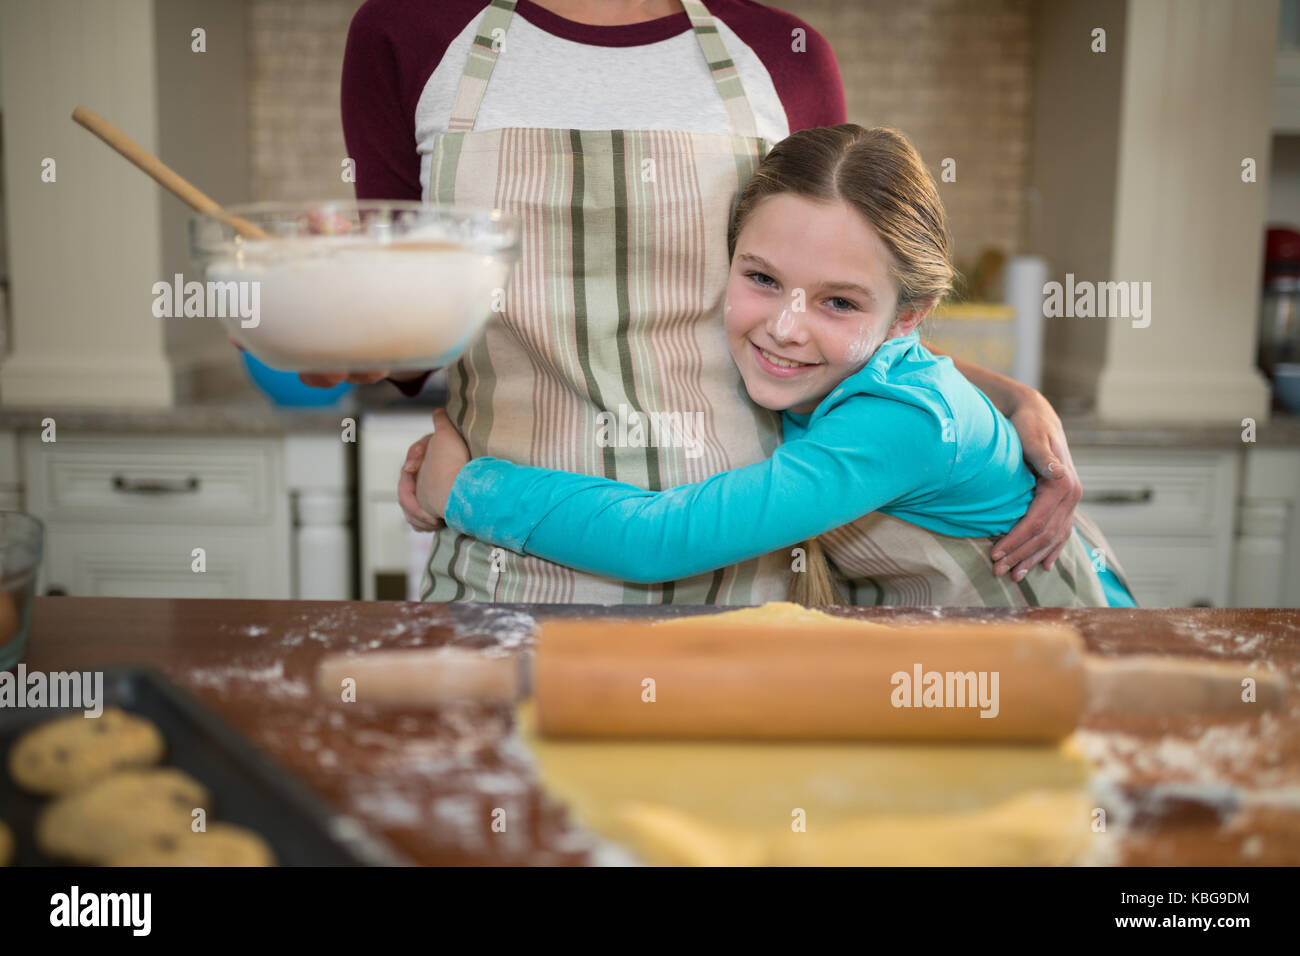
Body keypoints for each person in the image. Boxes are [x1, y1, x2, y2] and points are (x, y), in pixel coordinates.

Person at [317, 0, 1088, 603]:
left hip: (748, 578)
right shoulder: (404, 35)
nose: (784, 317)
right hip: (502, 569)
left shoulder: (787, 55)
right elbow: (405, 337)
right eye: (755, 280)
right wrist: (312, 329)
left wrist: (1007, 397)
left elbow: (843, 303)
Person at [412, 125, 1136, 607]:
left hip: (1081, 658)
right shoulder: (872, 374)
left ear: (905, 317)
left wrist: (464, 486)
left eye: (839, 302)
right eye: (761, 279)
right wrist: (1017, 396)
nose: (785, 330)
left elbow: (655, 541)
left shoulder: (898, 424)